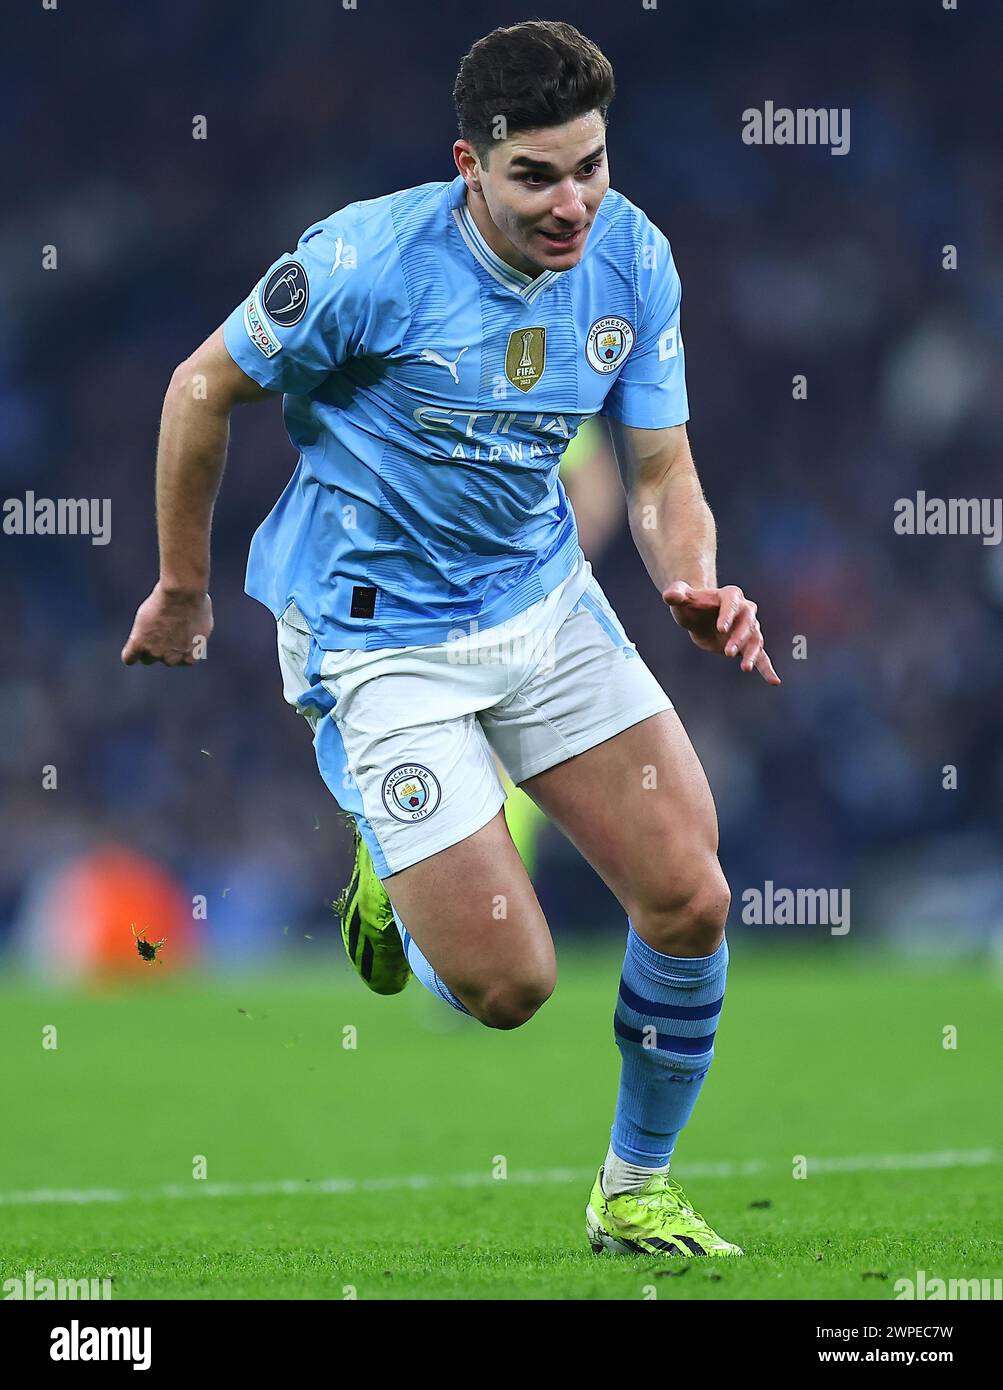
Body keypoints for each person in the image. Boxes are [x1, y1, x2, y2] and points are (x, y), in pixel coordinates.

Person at [122, 19, 780, 1258]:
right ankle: (390, 868)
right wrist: (182, 586)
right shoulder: (365, 261)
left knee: (690, 898)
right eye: (537, 174)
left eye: (590, 165)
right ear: (469, 165)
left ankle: (633, 1188)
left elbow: (661, 468)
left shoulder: (633, 256)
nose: (573, 199)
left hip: (539, 601)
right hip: (379, 641)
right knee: (508, 988)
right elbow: (199, 388)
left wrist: (691, 578)